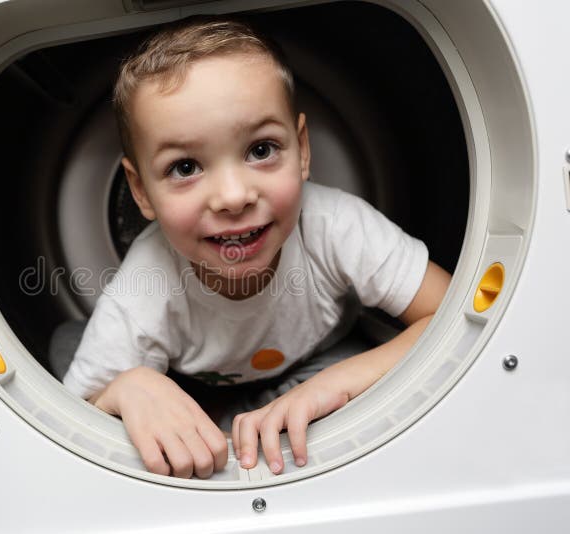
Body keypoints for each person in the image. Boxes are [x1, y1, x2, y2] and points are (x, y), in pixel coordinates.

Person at [62, 17, 451, 479]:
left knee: (356, 366)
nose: (233, 196)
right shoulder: (145, 288)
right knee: (71, 350)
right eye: (185, 166)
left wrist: (338, 385)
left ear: (302, 149)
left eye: (261, 150)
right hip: (196, 395)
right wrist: (126, 389)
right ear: (140, 190)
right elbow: (71, 420)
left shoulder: (334, 225)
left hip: (319, 365)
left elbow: (450, 314)